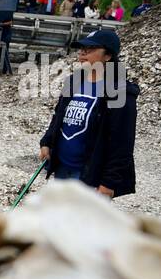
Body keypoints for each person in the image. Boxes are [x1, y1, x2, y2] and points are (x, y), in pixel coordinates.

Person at [38, 28, 137, 197]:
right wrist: (46, 141)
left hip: (89, 177)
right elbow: (59, 116)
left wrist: (108, 183)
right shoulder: (74, 81)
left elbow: (122, 143)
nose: (83, 53)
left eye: (90, 50)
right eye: (82, 49)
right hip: (63, 169)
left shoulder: (119, 91)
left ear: (108, 56)